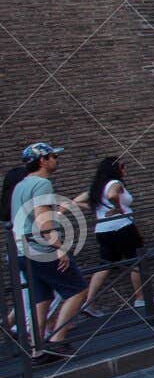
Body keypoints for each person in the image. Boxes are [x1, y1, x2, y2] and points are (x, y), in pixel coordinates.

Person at [10, 143, 88, 361]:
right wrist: (60, 248)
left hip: (22, 249)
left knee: (40, 299)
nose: (56, 159)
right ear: (42, 160)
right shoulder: (42, 184)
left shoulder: (20, 186)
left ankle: (37, 350)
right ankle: (57, 341)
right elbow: (42, 221)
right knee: (78, 290)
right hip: (41, 248)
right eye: (53, 156)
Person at [77, 156, 149, 317]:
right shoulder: (115, 184)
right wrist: (119, 209)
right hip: (122, 227)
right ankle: (140, 298)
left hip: (102, 230)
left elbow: (75, 201)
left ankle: (89, 303)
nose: (124, 169)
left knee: (105, 265)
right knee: (136, 261)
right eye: (122, 166)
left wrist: (97, 209)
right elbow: (112, 195)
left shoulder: (97, 187)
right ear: (115, 169)